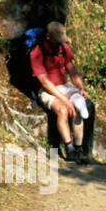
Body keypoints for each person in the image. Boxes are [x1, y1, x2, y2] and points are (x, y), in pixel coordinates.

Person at [29, 20, 94, 162]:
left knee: (79, 106)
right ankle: (69, 149)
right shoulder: (37, 53)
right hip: (46, 89)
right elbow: (45, 82)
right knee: (63, 110)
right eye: (57, 41)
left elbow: (71, 69)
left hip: (64, 85)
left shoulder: (63, 48)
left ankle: (79, 149)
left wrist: (80, 88)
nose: (60, 44)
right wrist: (65, 100)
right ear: (48, 37)